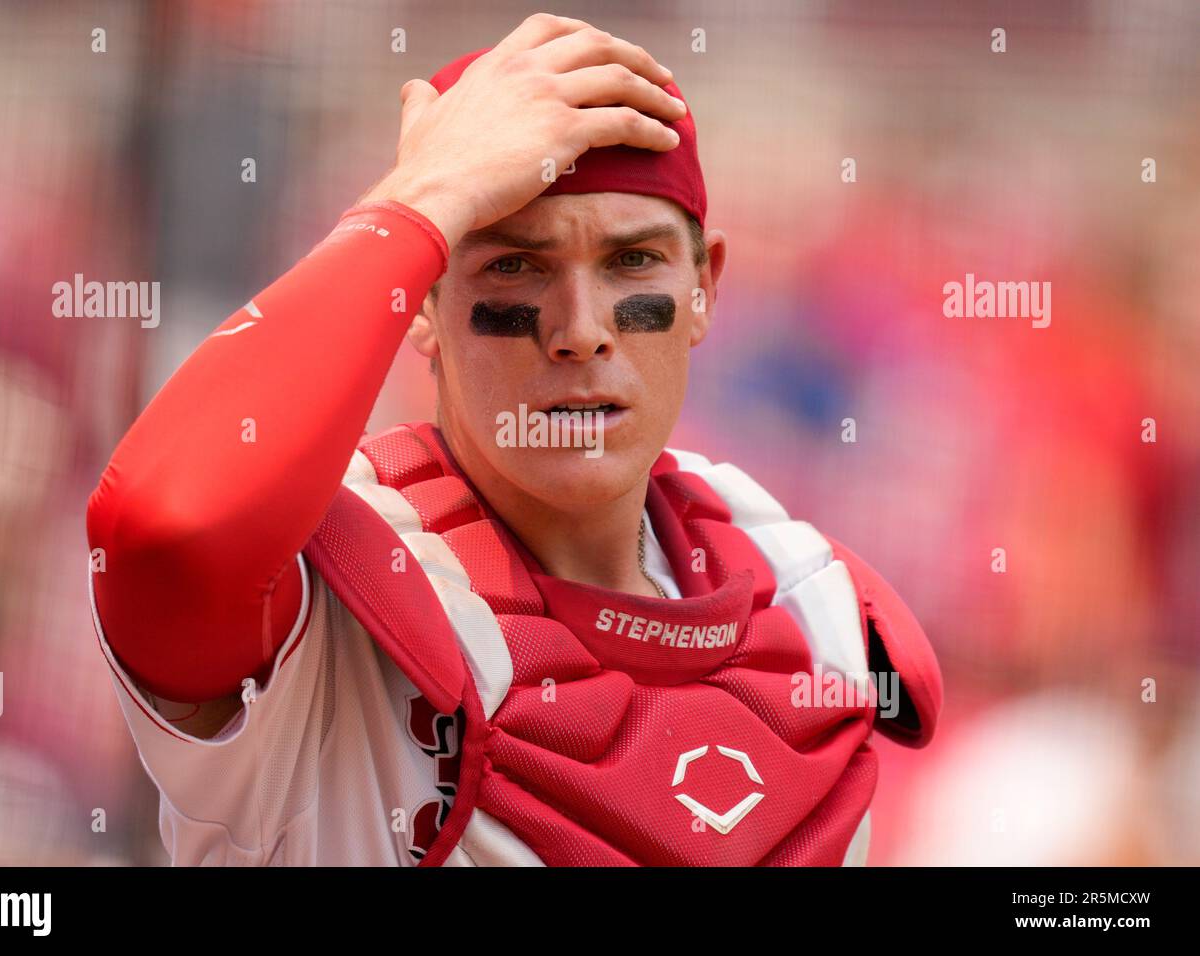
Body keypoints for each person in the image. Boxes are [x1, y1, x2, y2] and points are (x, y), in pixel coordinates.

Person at [86, 13, 942, 866]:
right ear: (420, 303)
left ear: (705, 288)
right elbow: (167, 532)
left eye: (632, 262)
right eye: (512, 266)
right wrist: (419, 200)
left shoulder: (808, 602)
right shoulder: (336, 591)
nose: (579, 331)